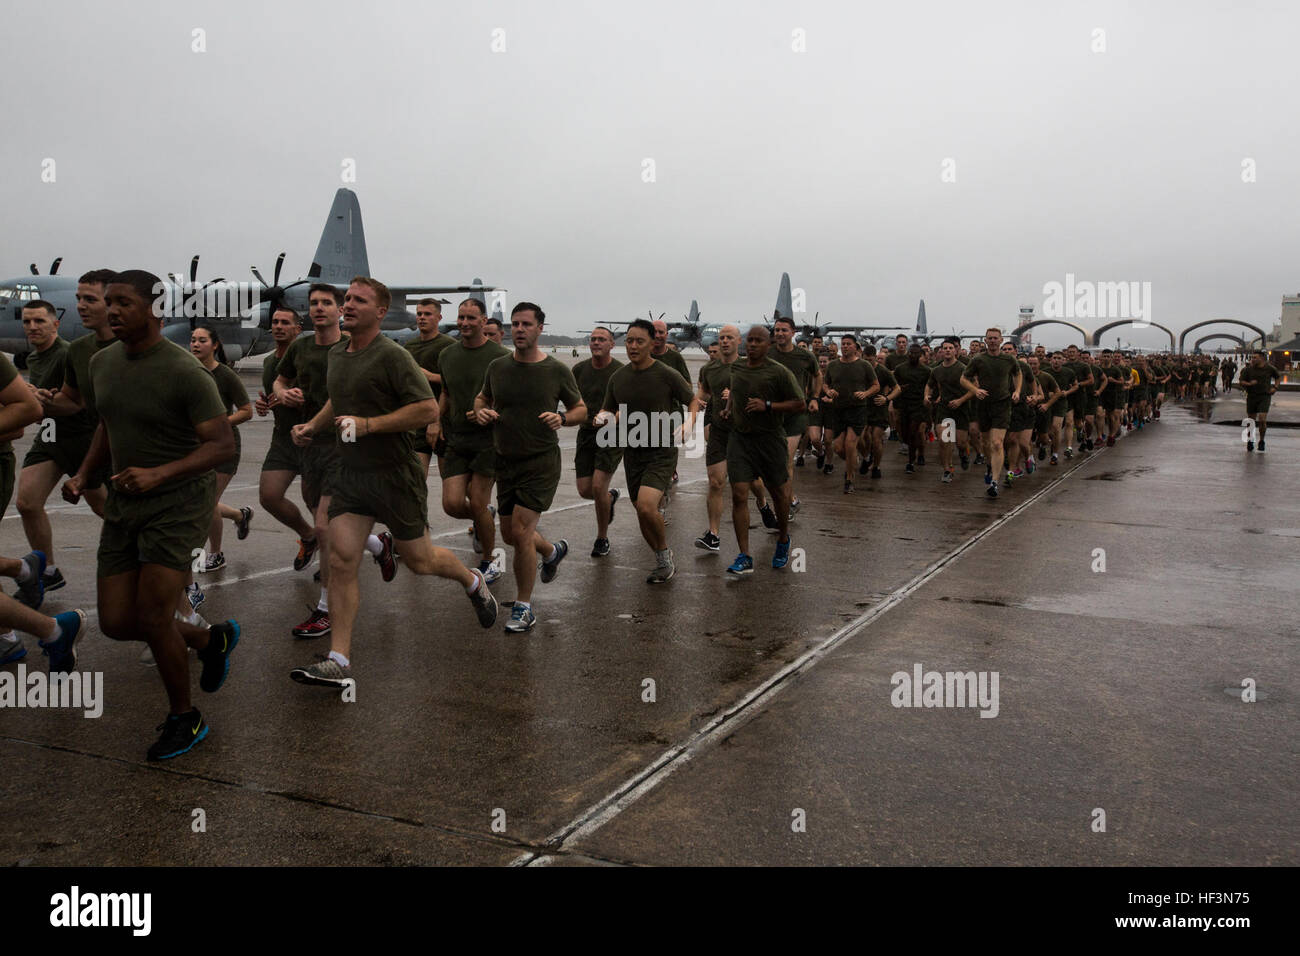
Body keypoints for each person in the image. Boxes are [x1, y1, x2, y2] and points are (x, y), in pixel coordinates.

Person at [63, 270, 240, 760]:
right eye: (107, 302)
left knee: (154, 614)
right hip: (125, 500)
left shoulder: (187, 372)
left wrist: (161, 474)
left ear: (154, 308)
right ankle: (210, 640)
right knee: (117, 622)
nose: (111, 310)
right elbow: (107, 424)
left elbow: (221, 444)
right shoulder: (101, 363)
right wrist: (83, 475)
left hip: (178, 504)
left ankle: (186, 717)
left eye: (123, 302)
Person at [289, 277, 498, 688]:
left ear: (380, 312)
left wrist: (369, 425)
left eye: (358, 300)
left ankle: (472, 582)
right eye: (346, 298)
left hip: (395, 476)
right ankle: (339, 659)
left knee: (420, 561)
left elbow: (423, 410)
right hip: (351, 475)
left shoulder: (392, 356)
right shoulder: (337, 354)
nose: (347, 305)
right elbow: (338, 398)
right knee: (341, 559)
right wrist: (313, 425)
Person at [474, 302, 585, 632]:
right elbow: (483, 398)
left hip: (540, 462)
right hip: (505, 461)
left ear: (540, 328)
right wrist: (481, 411)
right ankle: (551, 551)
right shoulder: (497, 367)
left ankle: (523, 607)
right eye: (515, 324)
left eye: (526, 324)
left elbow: (580, 409)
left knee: (521, 532)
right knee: (509, 535)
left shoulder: (555, 370)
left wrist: (562, 418)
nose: (519, 329)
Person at [15, 296, 108, 595]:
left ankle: (154, 557)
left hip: (80, 438)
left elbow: (80, 403)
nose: (32, 327)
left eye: (39, 321)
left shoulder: (69, 354)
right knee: (27, 502)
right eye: (27, 321)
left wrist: (41, 399)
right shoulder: (32, 358)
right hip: (50, 434)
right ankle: (48, 571)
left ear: (55, 324)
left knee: (105, 508)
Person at [595, 319, 698, 582]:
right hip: (633, 452)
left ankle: (664, 557)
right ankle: (661, 555)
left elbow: (693, 400)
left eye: (639, 341)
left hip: (661, 451)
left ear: (652, 344)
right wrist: (603, 416)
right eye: (629, 340)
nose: (633, 346)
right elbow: (610, 408)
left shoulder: (665, 373)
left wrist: (689, 422)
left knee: (645, 506)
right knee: (642, 512)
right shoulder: (618, 378)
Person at [433, 297, 510, 584]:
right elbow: (447, 393)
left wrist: (489, 413)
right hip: (457, 438)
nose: (464, 323)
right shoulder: (447, 355)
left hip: (488, 440)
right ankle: (483, 519)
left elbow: (508, 400)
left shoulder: (499, 357)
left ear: (483, 320)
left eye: (471, 318)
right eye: (461, 317)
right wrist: (435, 419)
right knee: (452, 504)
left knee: (477, 501)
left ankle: (491, 558)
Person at [722, 326, 804, 575]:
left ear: (768, 345)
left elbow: (799, 403)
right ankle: (744, 555)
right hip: (740, 439)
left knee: (779, 494)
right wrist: (728, 408)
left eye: (758, 341)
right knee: (738, 494)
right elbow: (735, 392)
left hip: (770, 440)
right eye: (750, 340)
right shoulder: (736, 367)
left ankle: (782, 539)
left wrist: (767, 405)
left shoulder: (779, 372)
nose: (753, 344)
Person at [255, 307, 317, 572]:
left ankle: (335, 558)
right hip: (282, 438)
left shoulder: (308, 356)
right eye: (275, 322)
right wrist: (263, 405)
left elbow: (322, 395)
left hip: (312, 437)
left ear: (297, 329)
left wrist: (298, 398)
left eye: (285, 322)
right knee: (269, 496)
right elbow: (271, 395)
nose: (278, 326)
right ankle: (309, 536)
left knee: (314, 501)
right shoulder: (270, 362)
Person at [191, 326, 252, 571]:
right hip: (196, 447)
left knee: (207, 502)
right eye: (193, 340)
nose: (195, 344)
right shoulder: (189, 373)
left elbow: (247, 411)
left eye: (202, 340)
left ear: (215, 345)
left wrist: (218, 425)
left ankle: (216, 554)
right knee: (202, 501)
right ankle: (239, 515)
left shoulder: (225, 375)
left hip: (225, 446)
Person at [572, 327, 623, 556]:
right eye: (593, 339)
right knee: (585, 490)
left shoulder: (621, 372)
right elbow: (570, 400)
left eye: (601, 339)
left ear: (612, 344)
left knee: (597, 486)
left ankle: (602, 538)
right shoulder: (579, 370)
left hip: (611, 434)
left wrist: (610, 418)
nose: (596, 342)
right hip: (586, 433)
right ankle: (609, 498)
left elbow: (629, 406)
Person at [960, 328, 1022, 499]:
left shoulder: (1008, 359)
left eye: (996, 338)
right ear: (986, 341)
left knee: (997, 443)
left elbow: (1018, 373)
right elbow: (963, 379)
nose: (993, 341)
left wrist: (1017, 390)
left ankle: (994, 482)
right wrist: (975, 389)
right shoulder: (978, 359)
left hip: (1002, 404)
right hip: (983, 404)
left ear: (1001, 340)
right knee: (986, 442)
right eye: (990, 338)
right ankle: (990, 464)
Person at [770, 317, 821, 517]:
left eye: (784, 330)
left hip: (796, 414)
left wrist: (815, 398)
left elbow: (817, 375)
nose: (780, 334)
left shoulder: (805, 356)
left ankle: (784, 507)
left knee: (785, 461)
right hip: (771, 413)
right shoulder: (768, 353)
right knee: (773, 463)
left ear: (793, 332)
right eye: (776, 330)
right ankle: (791, 499)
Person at [405, 298, 455, 478]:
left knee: (451, 490)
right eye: (419, 314)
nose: (422, 318)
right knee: (415, 479)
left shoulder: (449, 346)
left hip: (443, 422)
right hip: (416, 421)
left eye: (427, 314)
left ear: (439, 317)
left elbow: (456, 382)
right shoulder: (409, 347)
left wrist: (430, 376)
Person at [824, 335, 879, 493]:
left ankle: (849, 480)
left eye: (849, 344)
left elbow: (876, 385)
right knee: (838, 448)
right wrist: (829, 391)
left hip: (857, 409)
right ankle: (856, 460)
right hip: (839, 410)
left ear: (856, 347)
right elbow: (825, 384)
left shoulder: (864, 365)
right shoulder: (833, 365)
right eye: (843, 344)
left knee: (850, 444)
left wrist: (866, 393)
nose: (845, 346)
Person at [924, 337, 972, 482]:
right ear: (941, 350)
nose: (948, 350)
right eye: (945, 348)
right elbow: (929, 385)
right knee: (945, 440)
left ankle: (964, 454)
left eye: (951, 348)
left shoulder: (963, 369)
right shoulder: (936, 370)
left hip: (961, 408)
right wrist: (927, 395)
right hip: (944, 408)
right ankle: (947, 469)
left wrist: (960, 401)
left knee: (960, 442)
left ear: (956, 350)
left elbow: (974, 389)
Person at [1238, 351, 1282, 452]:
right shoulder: (1248, 369)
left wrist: (1275, 387)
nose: (1252, 359)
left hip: (1265, 396)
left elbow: (1278, 377)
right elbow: (1241, 381)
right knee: (1251, 421)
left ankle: (1262, 441)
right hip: (1252, 396)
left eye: (1255, 357)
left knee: (1262, 419)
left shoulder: (1269, 368)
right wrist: (1249, 384)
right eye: (1252, 357)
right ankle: (1250, 440)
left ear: (1262, 358)